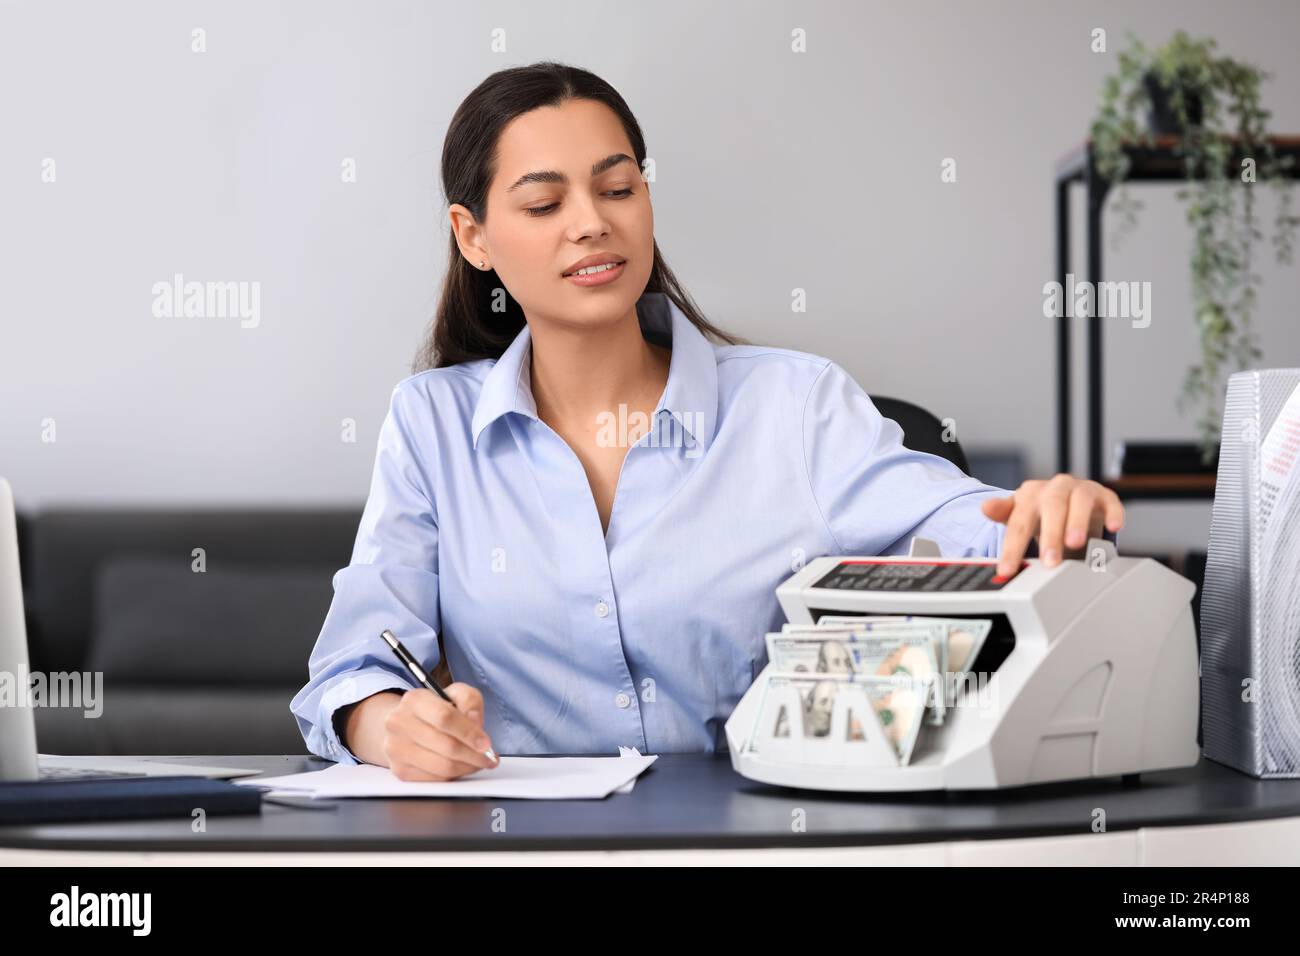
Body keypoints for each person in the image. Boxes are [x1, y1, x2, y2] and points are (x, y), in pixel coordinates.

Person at [290, 61, 1124, 782]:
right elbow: (352, 666)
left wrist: (1040, 513)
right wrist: (388, 726)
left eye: (618, 188)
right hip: (525, 849)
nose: (593, 221)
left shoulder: (792, 406)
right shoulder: (433, 424)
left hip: (764, 838)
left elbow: (959, 525)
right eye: (545, 203)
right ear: (473, 238)